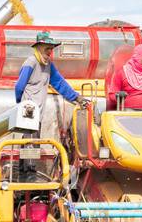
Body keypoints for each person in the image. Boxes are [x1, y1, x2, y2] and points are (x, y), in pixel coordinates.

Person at [13, 31, 89, 180]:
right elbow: (19, 86)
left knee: (31, 139)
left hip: (37, 112)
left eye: (51, 49)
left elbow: (60, 84)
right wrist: (21, 105)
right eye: (47, 48)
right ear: (39, 47)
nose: (50, 52)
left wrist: (77, 98)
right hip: (28, 111)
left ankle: (26, 172)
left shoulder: (48, 66)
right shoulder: (30, 62)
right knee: (31, 140)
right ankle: (28, 174)